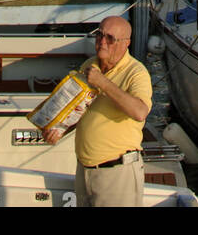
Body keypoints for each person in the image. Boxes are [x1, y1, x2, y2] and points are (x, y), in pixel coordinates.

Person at [42, 15, 152, 207]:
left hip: (117, 174)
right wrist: (59, 130)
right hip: (84, 172)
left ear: (126, 43)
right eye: (99, 35)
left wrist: (103, 83)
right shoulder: (89, 65)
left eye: (110, 38)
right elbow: (79, 108)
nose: (102, 42)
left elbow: (140, 112)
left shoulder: (137, 72)